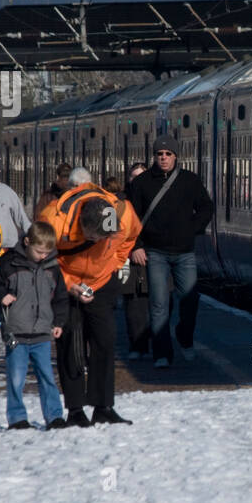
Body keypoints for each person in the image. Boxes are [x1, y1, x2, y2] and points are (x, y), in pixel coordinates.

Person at [44, 167, 141, 426]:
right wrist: (69, 284)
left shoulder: (121, 212)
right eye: (93, 237)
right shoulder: (54, 217)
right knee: (71, 346)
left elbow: (130, 237)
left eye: (103, 237)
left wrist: (114, 263)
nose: (98, 241)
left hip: (101, 283)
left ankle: (103, 405)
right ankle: (75, 409)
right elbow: (41, 258)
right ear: (81, 224)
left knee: (105, 341)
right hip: (67, 285)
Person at [127, 136, 215, 369]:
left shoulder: (190, 181)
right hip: (155, 252)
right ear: (154, 157)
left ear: (176, 156)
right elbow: (131, 218)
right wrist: (136, 246)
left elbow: (207, 207)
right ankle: (162, 353)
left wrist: (192, 229)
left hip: (184, 252)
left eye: (168, 154)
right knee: (158, 303)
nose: (164, 158)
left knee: (190, 300)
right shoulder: (142, 183)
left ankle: (184, 336)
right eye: (159, 154)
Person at [0, 221, 69, 430]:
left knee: (47, 377)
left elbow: (60, 297)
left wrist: (59, 322)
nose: (42, 256)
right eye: (39, 251)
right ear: (28, 242)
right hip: (16, 332)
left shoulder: (52, 267)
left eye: (47, 252)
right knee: (16, 378)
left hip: (42, 332)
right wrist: (1, 295)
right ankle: (17, 418)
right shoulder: (10, 262)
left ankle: (55, 416)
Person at [112, 164, 152, 360]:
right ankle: (137, 345)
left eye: (142, 176)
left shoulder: (157, 197)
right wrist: (133, 247)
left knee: (161, 303)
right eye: (134, 177)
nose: (138, 180)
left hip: (155, 255)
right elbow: (111, 231)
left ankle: (151, 341)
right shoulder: (119, 203)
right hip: (128, 259)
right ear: (128, 179)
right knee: (134, 302)